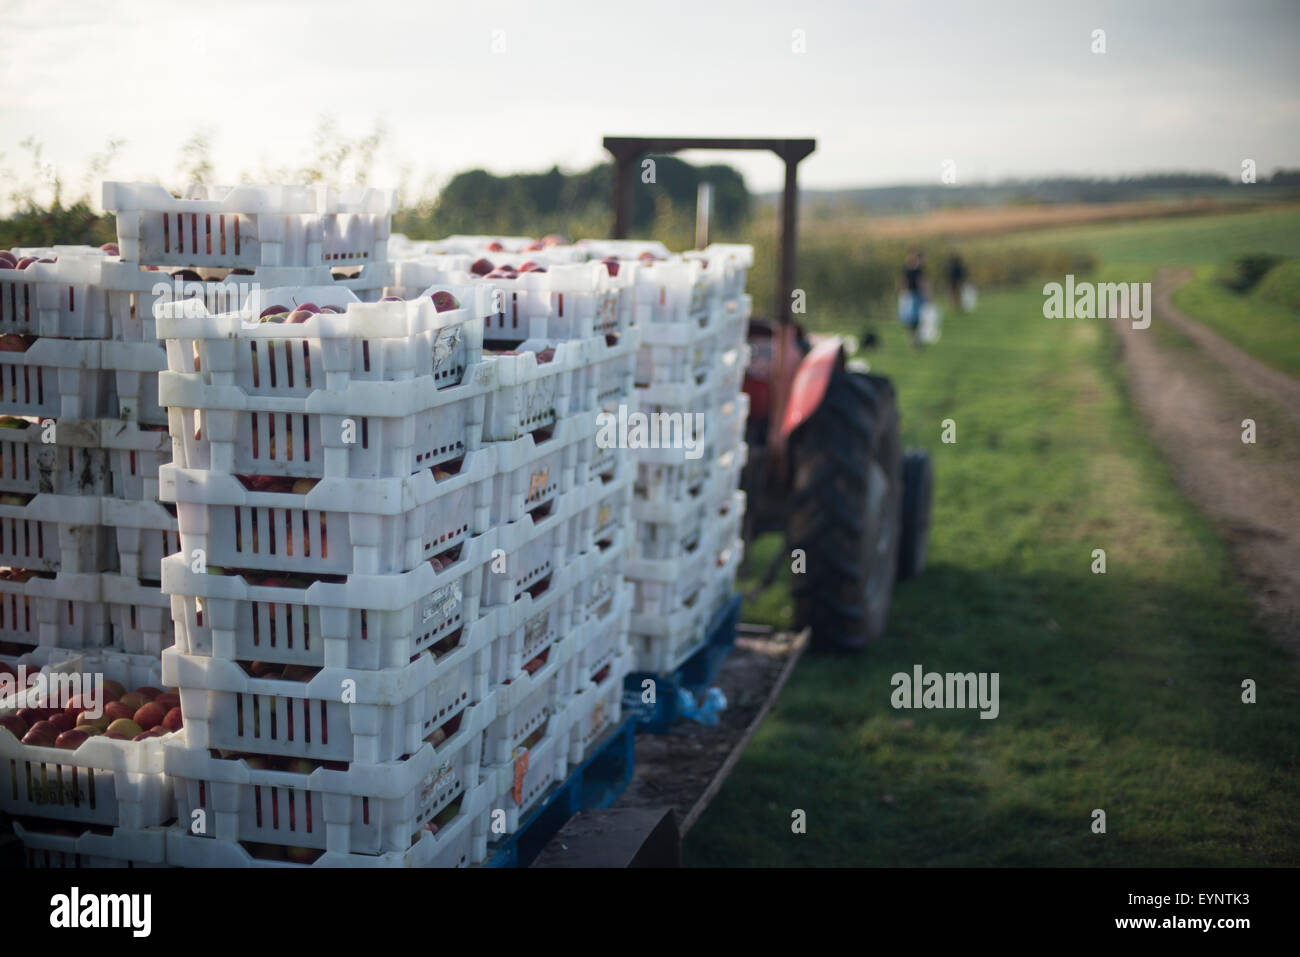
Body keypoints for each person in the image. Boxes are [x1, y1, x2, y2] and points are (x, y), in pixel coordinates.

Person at [899, 248, 928, 348]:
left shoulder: (915, 270)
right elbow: (920, 283)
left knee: (915, 320)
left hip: (914, 296)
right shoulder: (911, 270)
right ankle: (914, 341)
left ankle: (915, 340)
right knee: (913, 320)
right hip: (913, 296)